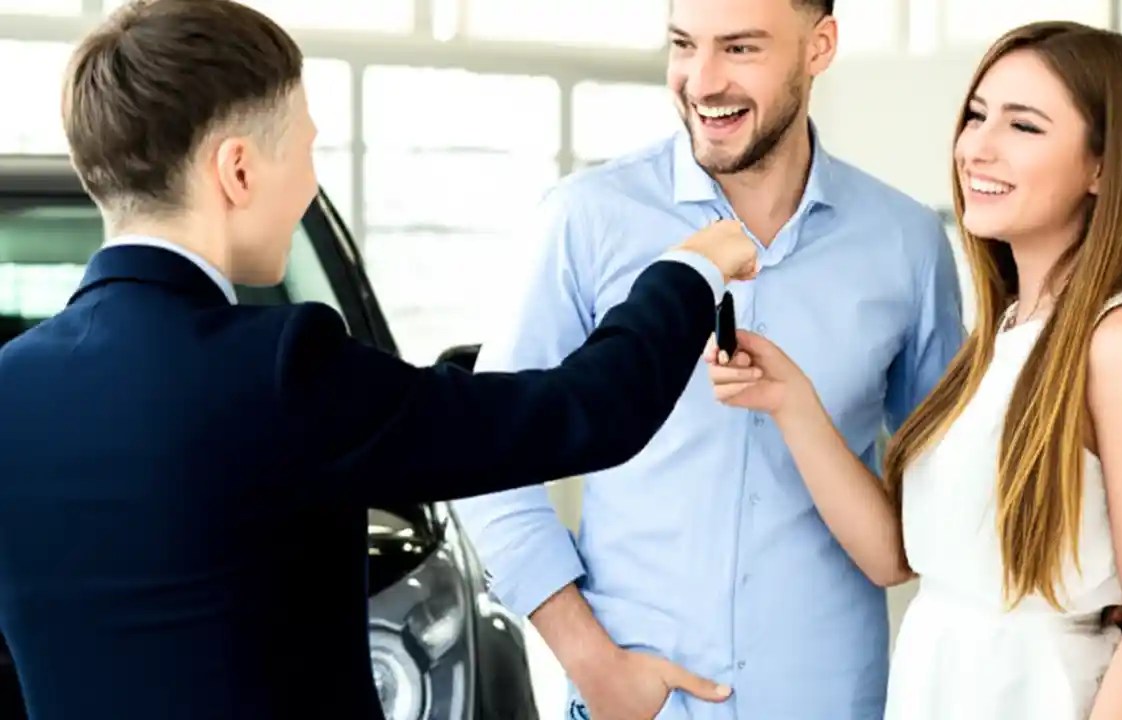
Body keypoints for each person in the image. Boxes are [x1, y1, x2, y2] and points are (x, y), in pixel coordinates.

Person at [0, 2, 760, 719]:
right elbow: (587, 414)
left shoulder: (14, 387)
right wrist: (691, 267)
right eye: (304, 150)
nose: (309, 181)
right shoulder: (281, 369)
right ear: (237, 171)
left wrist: (462, 379)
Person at [452, 0, 965, 717]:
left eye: (740, 49)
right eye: (684, 45)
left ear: (819, 48)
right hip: (636, 699)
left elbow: (945, 505)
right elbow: (482, 458)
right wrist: (590, 661)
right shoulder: (586, 217)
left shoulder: (906, 244)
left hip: (829, 696)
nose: (701, 80)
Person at [708, 20, 1122, 720]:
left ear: (1104, 166)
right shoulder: (1006, 334)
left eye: (1024, 126)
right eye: (977, 116)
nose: (977, 146)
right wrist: (790, 401)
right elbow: (902, 558)